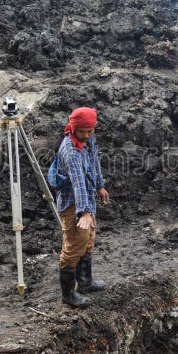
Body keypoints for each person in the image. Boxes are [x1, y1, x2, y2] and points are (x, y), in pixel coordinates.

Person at [54, 107, 109, 308]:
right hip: (73, 204)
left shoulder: (88, 140)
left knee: (88, 241)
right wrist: (83, 212)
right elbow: (78, 183)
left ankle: (85, 282)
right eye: (83, 131)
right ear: (74, 128)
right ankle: (68, 294)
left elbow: (94, 163)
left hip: (87, 201)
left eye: (90, 131)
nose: (87, 135)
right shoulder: (71, 152)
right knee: (74, 246)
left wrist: (100, 185)